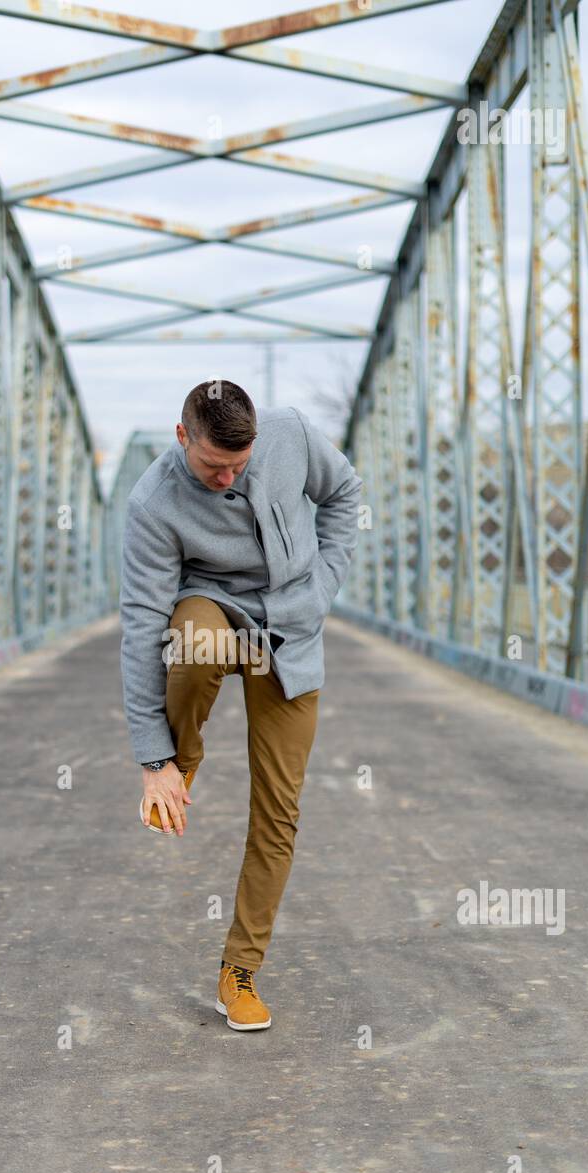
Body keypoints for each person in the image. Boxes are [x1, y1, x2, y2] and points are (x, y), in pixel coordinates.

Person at [120, 381, 361, 1031]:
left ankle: (240, 970)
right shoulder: (153, 503)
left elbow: (344, 494)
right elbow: (143, 625)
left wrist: (324, 584)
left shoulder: (291, 434)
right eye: (212, 466)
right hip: (215, 616)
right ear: (181, 438)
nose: (228, 477)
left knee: (279, 809)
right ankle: (186, 755)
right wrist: (154, 759)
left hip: (292, 634)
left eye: (240, 463)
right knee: (193, 641)